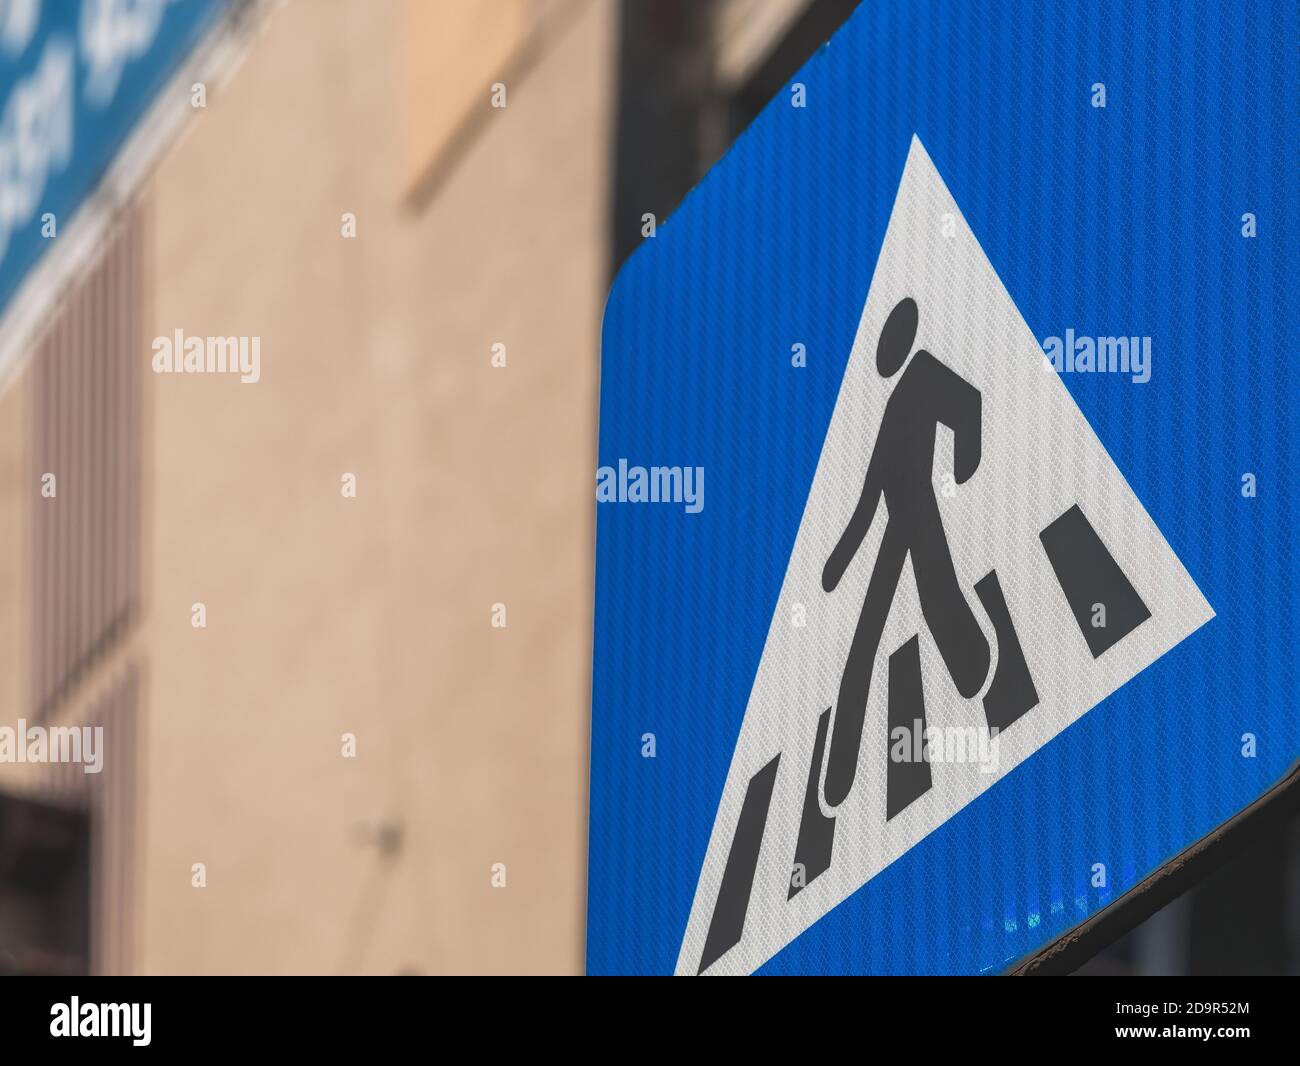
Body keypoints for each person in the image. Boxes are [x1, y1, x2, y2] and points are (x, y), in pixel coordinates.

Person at [821, 297, 991, 809]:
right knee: (865, 635)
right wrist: (836, 564)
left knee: (937, 594)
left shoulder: (921, 374)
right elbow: (866, 501)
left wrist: (966, 467)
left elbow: (968, 403)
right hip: (898, 524)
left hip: (918, 509)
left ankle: (975, 668)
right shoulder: (891, 411)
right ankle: (840, 769)